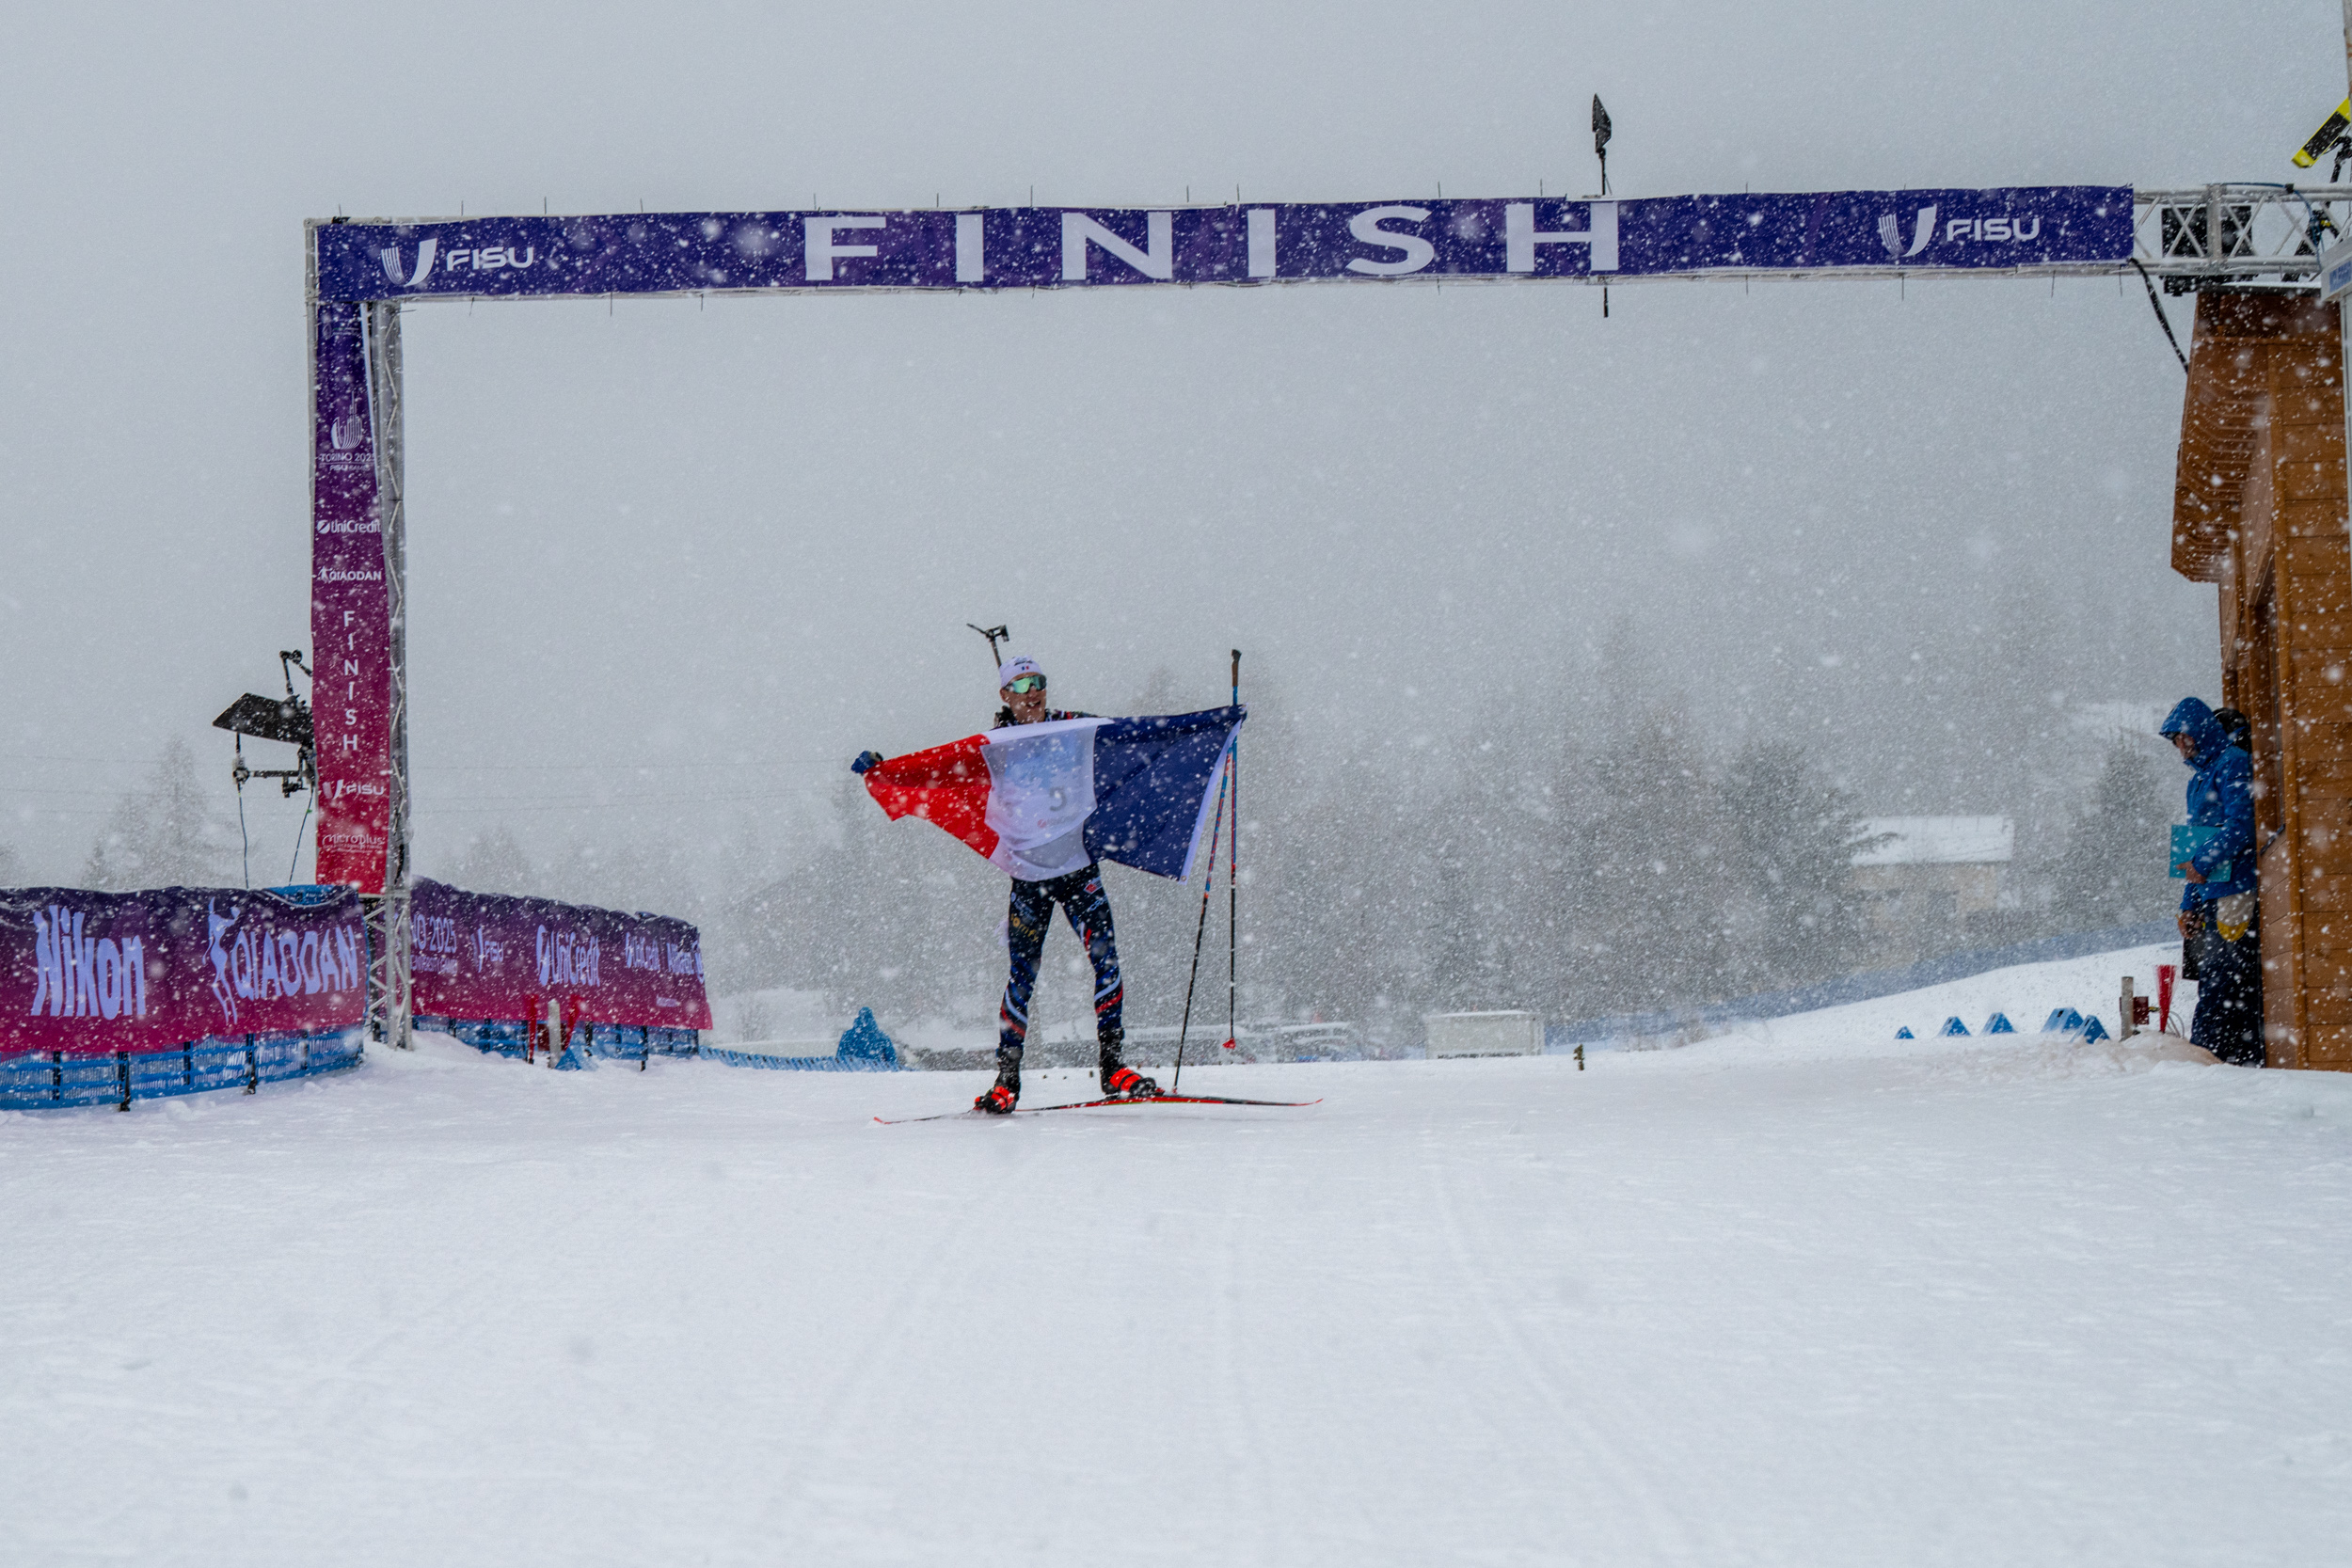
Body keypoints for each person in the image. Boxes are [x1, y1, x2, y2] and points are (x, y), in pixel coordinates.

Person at [857, 656, 1159, 1115]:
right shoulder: (994, 745)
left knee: (1107, 964)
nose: (1033, 692)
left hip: (1079, 870)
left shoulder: (1074, 727)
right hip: (1031, 879)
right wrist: (886, 770)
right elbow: (937, 770)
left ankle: (1114, 1067)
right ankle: (1006, 1080)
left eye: (1039, 683)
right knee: (1022, 977)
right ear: (1006, 696)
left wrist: (1212, 728)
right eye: (1021, 685)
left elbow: (1133, 736)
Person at [2159, 698, 2262, 1066]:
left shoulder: (2232, 763)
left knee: (2226, 982)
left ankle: (2213, 1061)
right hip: (2208, 895)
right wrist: (2189, 903)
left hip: (2236, 890)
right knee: (2213, 980)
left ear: (2199, 731)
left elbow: (2241, 826)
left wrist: (2203, 861)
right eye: (2175, 742)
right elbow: (2195, 846)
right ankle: (2211, 1059)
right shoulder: (2197, 781)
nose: (2181, 748)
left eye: (2183, 738)